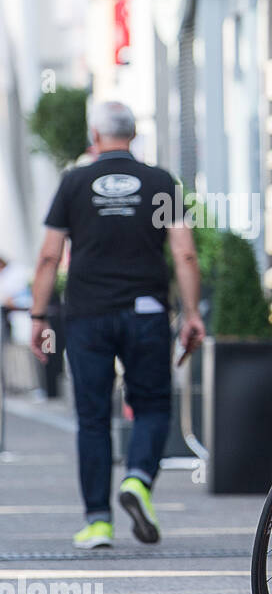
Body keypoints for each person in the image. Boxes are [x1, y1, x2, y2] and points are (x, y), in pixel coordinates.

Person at [29, 101, 205, 548]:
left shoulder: (73, 182)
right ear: (133, 134)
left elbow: (49, 256)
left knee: (91, 416)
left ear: (95, 134)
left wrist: (37, 316)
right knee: (151, 406)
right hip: (146, 311)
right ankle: (138, 479)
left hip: (86, 313)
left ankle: (98, 522)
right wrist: (191, 314)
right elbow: (184, 252)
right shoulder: (161, 181)